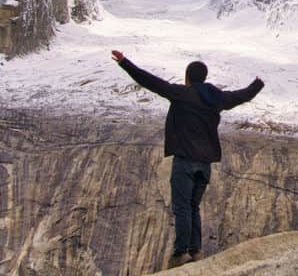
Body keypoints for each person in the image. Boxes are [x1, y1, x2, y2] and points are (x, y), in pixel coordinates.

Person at [111, 49, 264, 269]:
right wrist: (257, 84)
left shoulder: (182, 93)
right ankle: (196, 250)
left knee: (182, 207)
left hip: (185, 161)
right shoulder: (217, 98)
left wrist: (124, 62)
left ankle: (180, 253)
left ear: (188, 77)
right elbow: (241, 96)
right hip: (205, 164)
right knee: (193, 207)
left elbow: (151, 82)